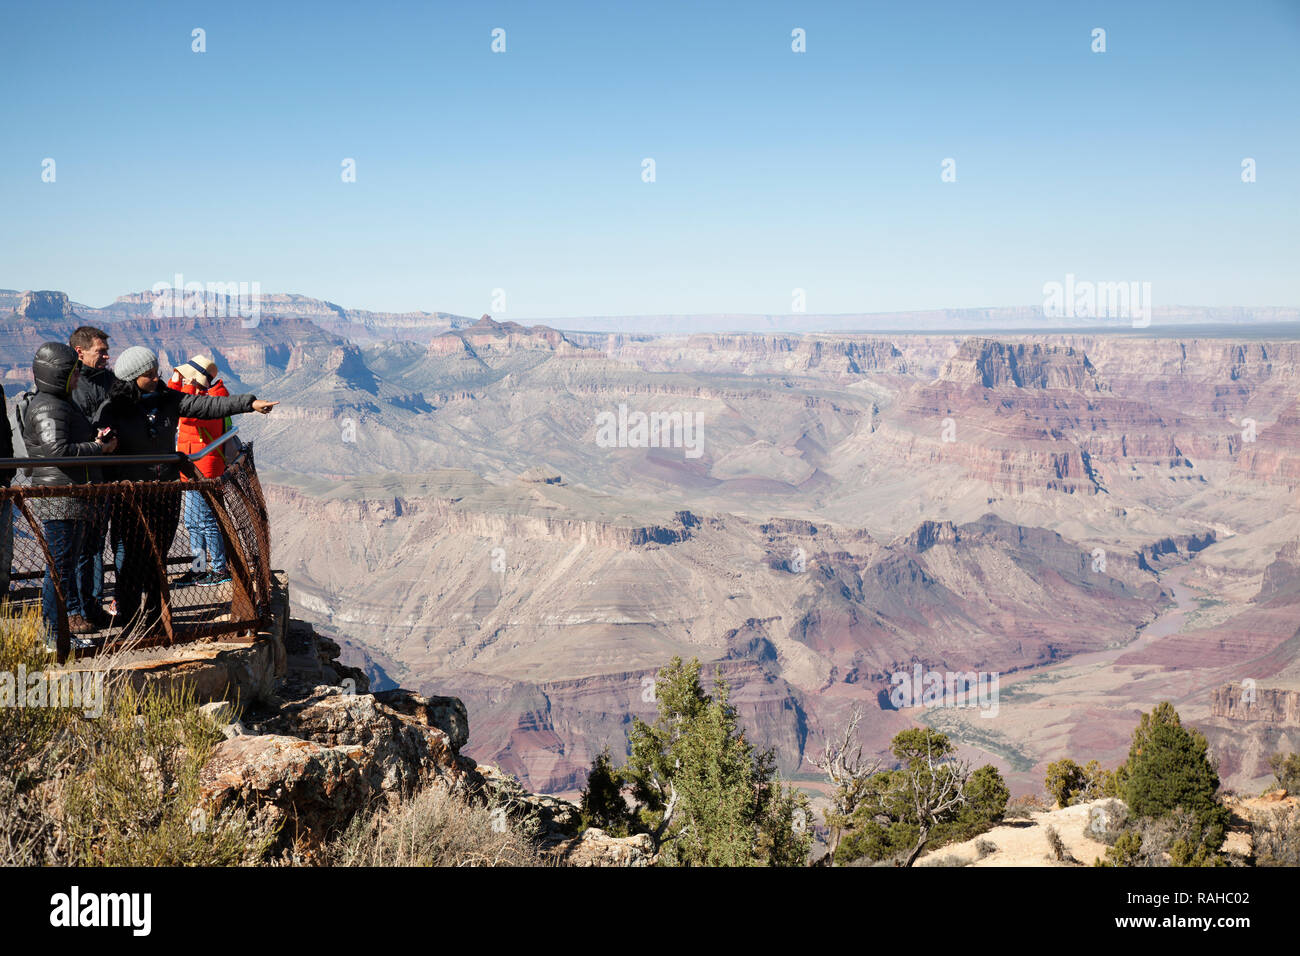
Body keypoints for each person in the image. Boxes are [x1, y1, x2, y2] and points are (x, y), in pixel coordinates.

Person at [103, 346, 277, 631]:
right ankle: (129, 621)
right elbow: (99, 435)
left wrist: (250, 403)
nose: (156, 377)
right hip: (130, 496)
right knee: (133, 559)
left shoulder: (168, 399)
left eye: (156, 371)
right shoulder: (114, 409)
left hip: (165, 493)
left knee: (158, 558)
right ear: (133, 378)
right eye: (149, 374)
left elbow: (208, 407)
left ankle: (155, 620)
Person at [21, 343, 118, 637]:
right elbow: (57, 450)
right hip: (59, 496)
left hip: (71, 494)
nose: (77, 378)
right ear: (57, 374)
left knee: (65, 565)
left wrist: (94, 436)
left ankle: (61, 630)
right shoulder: (49, 405)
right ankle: (55, 634)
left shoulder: (61, 401)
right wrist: (98, 447)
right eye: (72, 373)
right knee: (59, 570)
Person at [168, 355, 233, 586]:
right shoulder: (202, 394)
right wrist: (176, 381)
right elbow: (169, 403)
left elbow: (185, 416)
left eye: (187, 375)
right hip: (190, 467)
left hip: (204, 468)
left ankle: (219, 569)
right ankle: (199, 569)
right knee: (192, 522)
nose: (184, 378)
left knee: (204, 520)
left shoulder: (215, 399)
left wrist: (188, 387)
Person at [68, 326, 116, 623]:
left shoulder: (109, 380)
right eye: (100, 351)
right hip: (78, 477)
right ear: (80, 352)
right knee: (78, 549)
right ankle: (75, 611)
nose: (106, 356)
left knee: (95, 544)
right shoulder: (70, 383)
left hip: (103, 474)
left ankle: (93, 606)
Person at [0, 387, 13, 600]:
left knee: (4, 546)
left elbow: (4, 432)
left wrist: (10, 471)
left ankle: (2, 596)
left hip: (3, 479)